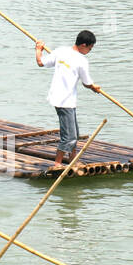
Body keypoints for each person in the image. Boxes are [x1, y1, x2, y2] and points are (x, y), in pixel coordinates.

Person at [35, 29, 102, 166]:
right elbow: (87, 83)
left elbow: (41, 62)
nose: (89, 51)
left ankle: (73, 160)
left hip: (62, 99)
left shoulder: (61, 51)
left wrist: (38, 49)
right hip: (64, 101)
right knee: (69, 137)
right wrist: (94, 88)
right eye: (90, 48)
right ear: (83, 45)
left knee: (74, 134)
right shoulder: (82, 60)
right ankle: (57, 165)